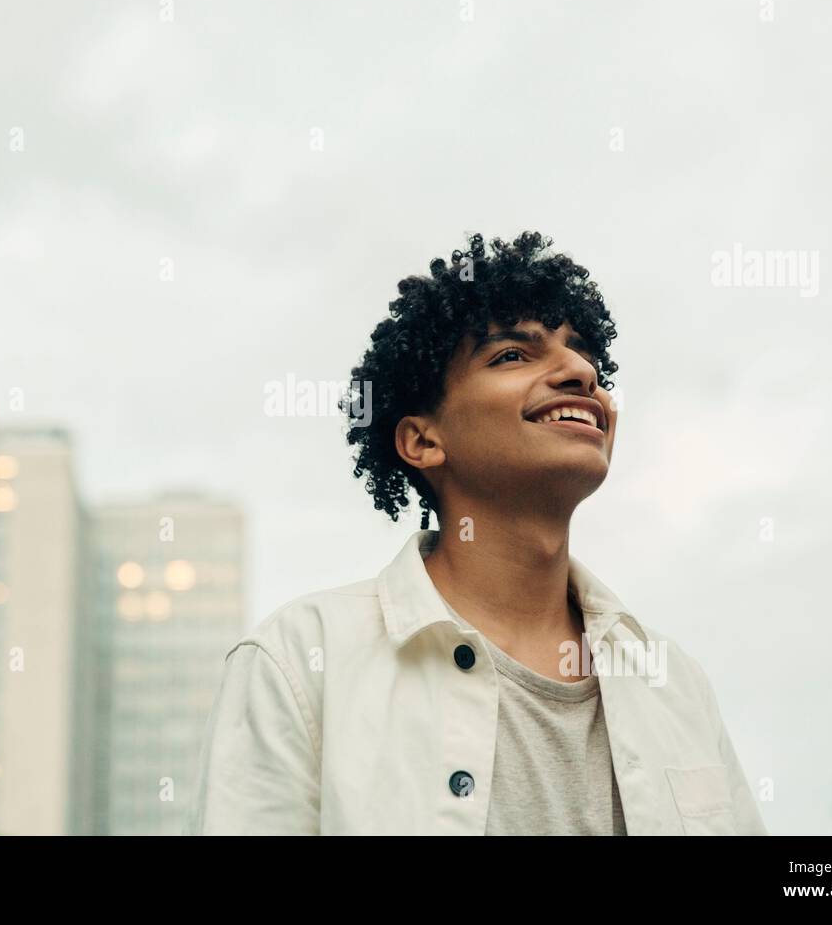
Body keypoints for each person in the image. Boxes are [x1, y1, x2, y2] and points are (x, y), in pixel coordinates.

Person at [186, 231, 768, 835]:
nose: (580, 371)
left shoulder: (675, 684)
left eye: (581, 350)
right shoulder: (299, 663)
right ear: (423, 440)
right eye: (513, 355)